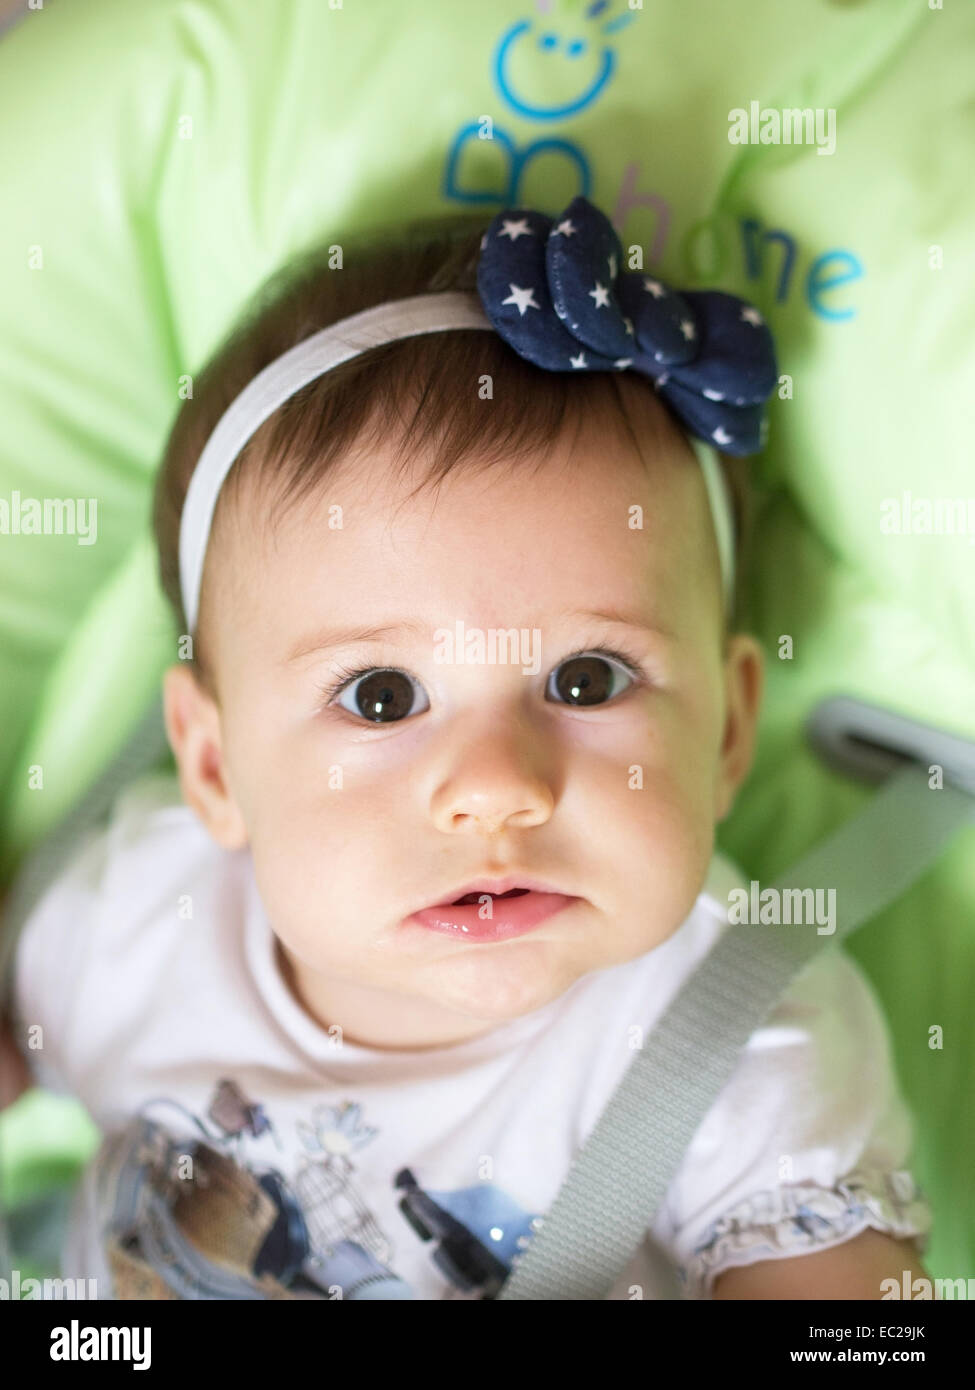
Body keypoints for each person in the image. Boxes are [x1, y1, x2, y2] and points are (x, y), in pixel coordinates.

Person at [2, 197, 931, 1300]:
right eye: (383, 695)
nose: (496, 787)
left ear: (726, 731)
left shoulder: (740, 1040)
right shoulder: (128, 921)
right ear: (212, 767)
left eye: (587, 679)